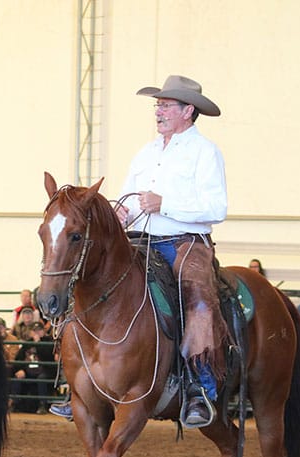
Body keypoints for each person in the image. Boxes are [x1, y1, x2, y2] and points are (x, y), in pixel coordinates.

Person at [112, 74, 227, 428]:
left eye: (165, 105)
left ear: (187, 111)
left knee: (199, 300)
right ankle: (86, 380)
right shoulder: (145, 153)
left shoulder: (205, 152)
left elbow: (216, 207)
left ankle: (199, 388)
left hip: (185, 243)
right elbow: (129, 199)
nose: (158, 111)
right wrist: (119, 211)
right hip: (141, 240)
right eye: (157, 105)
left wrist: (166, 204)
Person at [10, 322, 55, 413]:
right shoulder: (27, 344)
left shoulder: (49, 342)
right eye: (34, 331)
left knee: (42, 378)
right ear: (30, 332)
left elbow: (48, 357)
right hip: (28, 370)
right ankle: (15, 403)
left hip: (44, 370)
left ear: (43, 331)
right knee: (18, 377)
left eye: (39, 330)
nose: (37, 333)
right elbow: (18, 358)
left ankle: (43, 405)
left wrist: (38, 343)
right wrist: (20, 369)